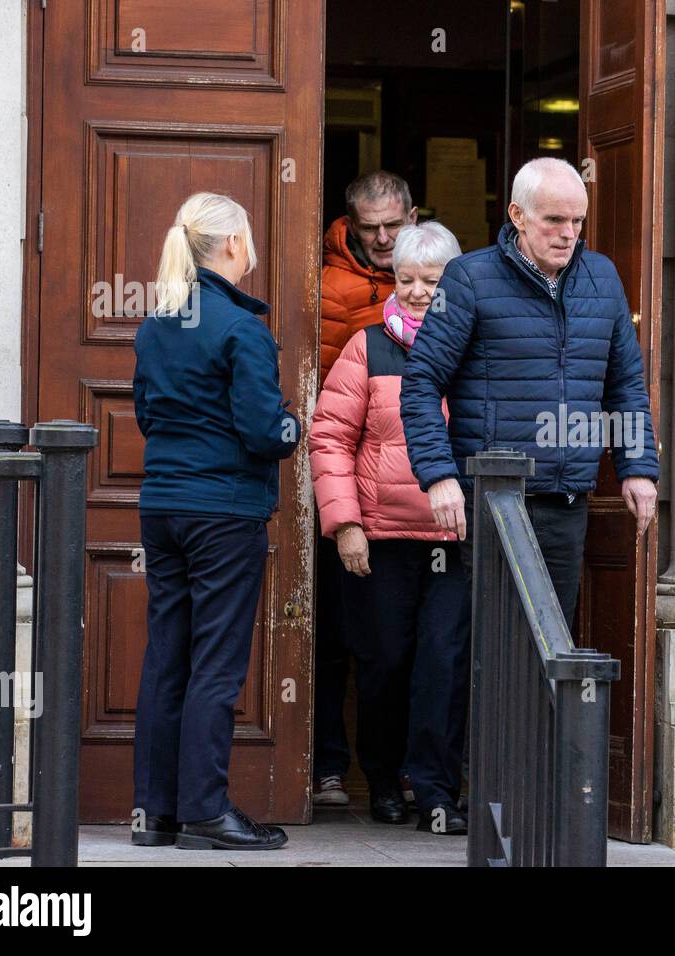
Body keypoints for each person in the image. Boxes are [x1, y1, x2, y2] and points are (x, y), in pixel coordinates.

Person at [399, 158, 660, 628]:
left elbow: (624, 385)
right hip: (495, 499)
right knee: (498, 645)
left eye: (577, 221)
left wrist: (637, 467)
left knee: (552, 647)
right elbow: (421, 381)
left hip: (566, 499)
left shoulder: (602, 278)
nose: (568, 233)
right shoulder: (468, 278)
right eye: (554, 220)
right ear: (518, 216)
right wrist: (438, 476)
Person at [131, 192, 299, 850]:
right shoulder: (240, 329)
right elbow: (264, 431)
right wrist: (291, 425)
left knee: (167, 658)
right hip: (224, 512)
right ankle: (205, 811)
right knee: (217, 665)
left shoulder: (156, 324)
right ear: (232, 245)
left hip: (162, 507)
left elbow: (148, 417)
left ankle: (156, 812)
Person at [309, 222, 471, 834]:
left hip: (450, 539)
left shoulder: (472, 347)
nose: (417, 292)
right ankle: (381, 781)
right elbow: (328, 438)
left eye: (431, 281)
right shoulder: (366, 346)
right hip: (379, 537)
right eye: (406, 280)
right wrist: (345, 524)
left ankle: (434, 789)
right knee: (381, 663)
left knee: (443, 662)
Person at [313, 170, 418, 808]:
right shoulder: (325, 284)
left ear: (412, 218)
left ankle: (408, 772)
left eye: (393, 225)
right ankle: (325, 765)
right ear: (349, 225)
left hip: (415, 490)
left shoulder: (446, 285)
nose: (381, 239)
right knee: (332, 631)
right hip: (340, 475)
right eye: (369, 227)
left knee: (405, 644)